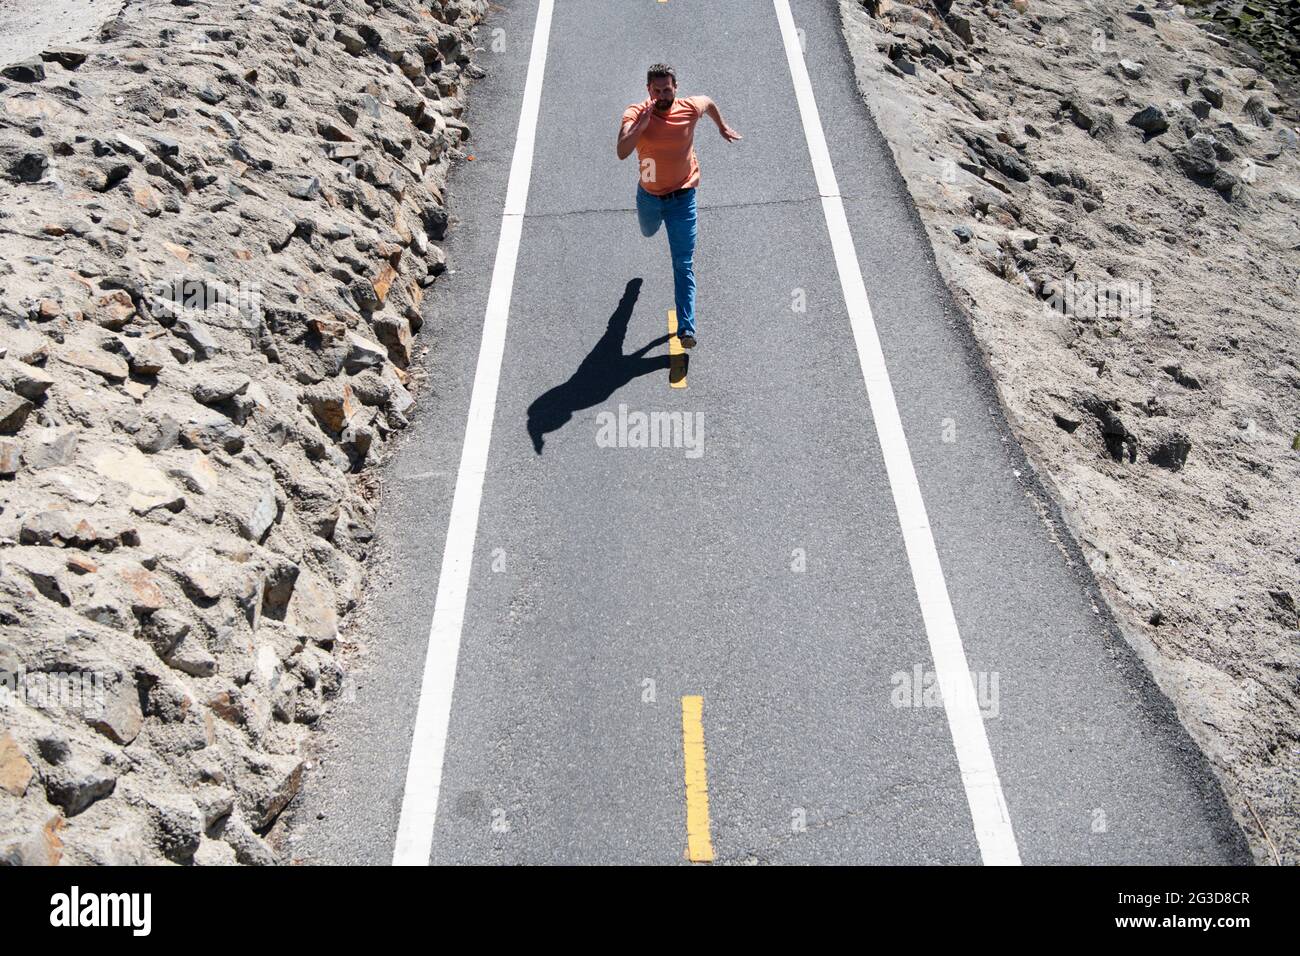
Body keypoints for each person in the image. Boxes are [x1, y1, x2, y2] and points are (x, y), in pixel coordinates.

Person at [617, 64, 741, 350]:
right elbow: (622, 151)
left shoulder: (688, 108)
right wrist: (640, 127)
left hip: (683, 198)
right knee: (648, 232)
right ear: (648, 90)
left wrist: (721, 127)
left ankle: (687, 328)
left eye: (667, 89)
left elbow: (708, 102)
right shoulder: (635, 113)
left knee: (683, 263)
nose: (662, 95)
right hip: (649, 196)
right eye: (657, 90)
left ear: (676, 87)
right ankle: (627, 301)